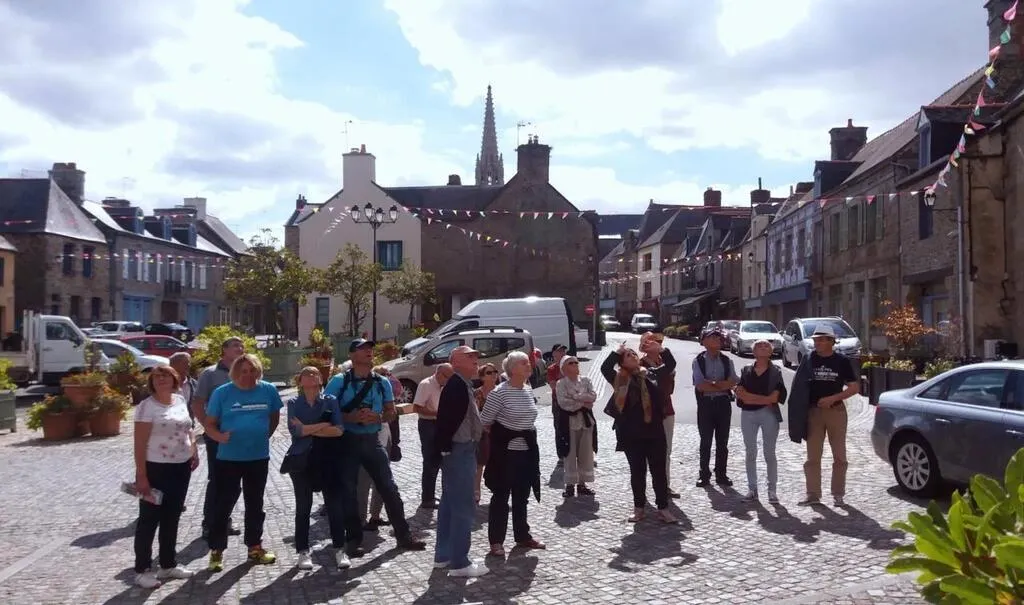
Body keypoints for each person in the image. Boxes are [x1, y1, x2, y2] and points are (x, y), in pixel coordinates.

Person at [324, 339, 426, 556]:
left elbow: (391, 412)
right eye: (362, 349)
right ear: (352, 355)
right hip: (347, 442)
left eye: (370, 349)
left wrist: (377, 417)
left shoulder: (382, 382)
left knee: (389, 488)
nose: (369, 351)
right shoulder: (338, 382)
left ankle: (404, 536)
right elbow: (326, 413)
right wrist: (350, 416)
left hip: (372, 441)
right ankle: (353, 539)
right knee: (349, 492)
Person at [203, 353, 283, 571]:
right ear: (235, 372)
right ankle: (217, 550)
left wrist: (264, 435)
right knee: (223, 504)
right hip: (228, 458)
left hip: (258, 457)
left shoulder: (268, 390)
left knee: (255, 504)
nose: (248, 376)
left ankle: (255, 547)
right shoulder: (222, 393)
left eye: (252, 371)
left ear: (258, 371)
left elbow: (275, 416)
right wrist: (219, 437)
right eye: (243, 371)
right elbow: (209, 424)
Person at [132, 365, 198, 589]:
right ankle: (142, 569)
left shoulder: (179, 400)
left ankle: (168, 563)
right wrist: (142, 475)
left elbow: (188, 428)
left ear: (174, 379)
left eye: (166, 376)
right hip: (156, 468)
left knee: (172, 516)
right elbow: (139, 443)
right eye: (157, 377)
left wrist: (194, 450)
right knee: (149, 520)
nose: (161, 380)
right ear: (152, 382)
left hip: (180, 467)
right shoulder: (146, 407)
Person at [282, 366, 348, 570]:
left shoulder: (330, 401)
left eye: (314, 374)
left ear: (321, 380)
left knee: (335, 507)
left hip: (328, 459)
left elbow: (338, 430)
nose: (310, 376)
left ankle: (339, 549)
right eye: (305, 374)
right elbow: (296, 432)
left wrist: (309, 428)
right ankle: (303, 551)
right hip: (301, 460)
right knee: (303, 507)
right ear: (299, 381)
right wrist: (322, 425)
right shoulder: (293, 403)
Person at [601, 344, 676, 523]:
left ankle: (663, 508)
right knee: (637, 471)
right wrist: (617, 352)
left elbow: (670, 364)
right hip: (631, 433)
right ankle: (639, 508)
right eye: (628, 355)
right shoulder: (619, 378)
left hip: (655, 430)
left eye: (634, 353)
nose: (633, 356)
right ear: (622, 363)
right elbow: (605, 367)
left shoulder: (650, 373)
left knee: (659, 471)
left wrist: (661, 349)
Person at [482, 351, 545, 557]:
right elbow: (484, 422)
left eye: (529, 363)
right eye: (524, 363)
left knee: (522, 496)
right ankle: (496, 541)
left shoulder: (527, 389)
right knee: (501, 496)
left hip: (526, 452)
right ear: (511, 369)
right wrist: (505, 435)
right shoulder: (499, 393)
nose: (529, 366)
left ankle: (522, 536)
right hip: (505, 454)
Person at [787, 324, 859, 506]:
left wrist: (833, 398)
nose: (816, 342)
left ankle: (838, 494)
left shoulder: (841, 361)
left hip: (836, 411)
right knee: (813, 457)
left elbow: (854, 388)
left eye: (820, 339)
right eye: (815, 340)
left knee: (840, 456)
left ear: (831, 341)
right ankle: (813, 494)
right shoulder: (809, 359)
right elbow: (799, 386)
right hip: (814, 413)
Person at [433, 345, 488, 577]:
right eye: (469, 357)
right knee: (463, 506)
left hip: (458, 450)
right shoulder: (456, 385)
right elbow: (445, 420)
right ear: (455, 361)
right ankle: (459, 562)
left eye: (476, 356)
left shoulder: (461, 384)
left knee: (449, 503)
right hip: (459, 450)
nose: (475, 360)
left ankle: (444, 555)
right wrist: (446, 448)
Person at [192, 337, 245, 539]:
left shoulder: (245, 371)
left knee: (235, 481)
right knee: (218, 479)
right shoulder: (210, 374)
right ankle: (210, 522)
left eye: (241, 346)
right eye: (235, 345)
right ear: (223, 350)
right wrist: (208, 425)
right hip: (217, 434)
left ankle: (224, 519)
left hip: (241, 435)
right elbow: (198, 402)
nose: (239, 348)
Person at [735, 340, 787, 503]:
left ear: (771, 351)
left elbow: (775, 398)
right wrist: (763, 399)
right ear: (754, 352)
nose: (763, 347)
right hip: (748, 415)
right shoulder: (746, 371)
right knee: (750, 451)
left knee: (769, 452)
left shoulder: (776, 371)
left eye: (766, 346)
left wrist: (752, 399)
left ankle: (772, 490)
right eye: (759, 346)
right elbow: (741, 395)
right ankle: (752, 488)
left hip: (769, 414)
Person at [692, 328, 738, 487]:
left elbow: (733, 382)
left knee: (722, 442)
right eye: (712, 338)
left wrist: (713, 384)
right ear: (704, 341)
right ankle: (704, 474)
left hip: (723, 404)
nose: (717, 340)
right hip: (706, 404)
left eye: (718, 338)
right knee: (705, 441)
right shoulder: (699, 361)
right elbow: (700, 386)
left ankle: (721, 474)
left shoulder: (727, 360)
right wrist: (720, 385)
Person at [638, 332, 679, 497]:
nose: (656, 344)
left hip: (666, 410)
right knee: (646, 452)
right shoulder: (640, 364)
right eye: (651, 341)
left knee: (666, 451)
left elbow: (670, 388)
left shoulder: (665, 362)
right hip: (647, 414)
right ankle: (644, 487)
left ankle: (665, 486)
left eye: (659, 341)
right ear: (643, 345)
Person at [555, 355, 597, 497]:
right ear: (564, 368)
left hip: (586, 423)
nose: (574, 365)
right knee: (570, 454)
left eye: (575, 362)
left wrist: (575, 397)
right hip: (570, 424)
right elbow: (563, 403)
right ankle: (570, 485)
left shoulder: (586, 380)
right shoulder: (561, 383)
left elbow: (592, 397)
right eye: (570, 363)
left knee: (585, 454)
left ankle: (582, 484)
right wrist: (583, 402)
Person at [413, 363, 454, 509]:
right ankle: (427, 499)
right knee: (430, 460)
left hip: (440, 424)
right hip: (428, 424)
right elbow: (417, 407)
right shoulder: (426, 384)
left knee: (440, 459)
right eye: (447, 377)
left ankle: (433, 494)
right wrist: (437, 414)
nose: (449, 381)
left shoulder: (444, 386)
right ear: (439, 374)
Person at [473, 363, 499, 503]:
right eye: (489, 372)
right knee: (480, 462)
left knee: (500, 461)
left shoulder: (501, 391)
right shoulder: (477, 393)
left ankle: (499, 488)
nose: (494, 374)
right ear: (482, 377)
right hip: (483, 432)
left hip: (499, 432)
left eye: (495, 371)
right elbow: (475, 414)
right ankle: (476, 490)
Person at [547, 344, 569, 465]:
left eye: (563, 351)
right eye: (559, 351)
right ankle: (561, 455)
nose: (562, 353)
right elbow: (553, 386)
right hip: (558, 402)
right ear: (554, 354)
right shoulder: (552, 369)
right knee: (559, 428)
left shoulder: (571, 365)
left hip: (572, 400)